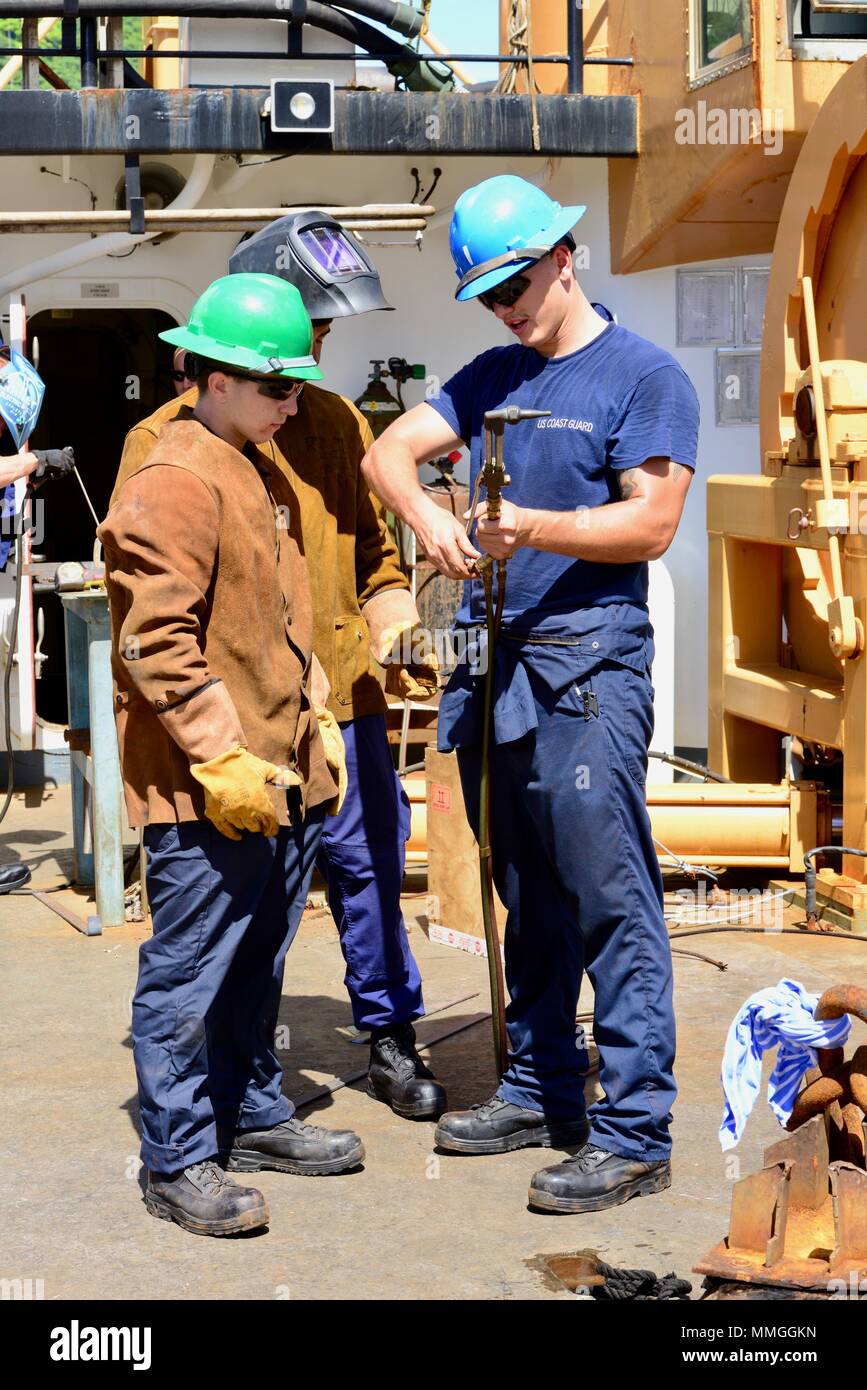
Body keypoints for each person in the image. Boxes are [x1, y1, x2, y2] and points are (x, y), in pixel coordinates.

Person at [362, 175, 700, 1215]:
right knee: (529, 894)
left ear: (565, 255)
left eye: (517, 281)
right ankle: (545, 1084)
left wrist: (528, 528)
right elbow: (387, 453)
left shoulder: (646, 378)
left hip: (588, 669)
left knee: (611, 896)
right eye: (488, 291)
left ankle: (636, 1130)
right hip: (499, 666)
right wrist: (428, 520)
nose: (505, 304)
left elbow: (649, 527)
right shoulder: (493, 372)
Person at [112, 212, 446, 1122]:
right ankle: (203, 1116)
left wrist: (395, 617)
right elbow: (154, 623)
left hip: (338, 705)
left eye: (323, 340)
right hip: (239, 724)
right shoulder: (167, 449)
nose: (309, 362)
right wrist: (214, 746)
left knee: (366, 870)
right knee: (227, 920)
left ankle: (385, 1032)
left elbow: (373, 558)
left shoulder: (332, 422)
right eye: (296, 345)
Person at [99, 273, 362, 1239]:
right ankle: (175, 1156)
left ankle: (247, 1109)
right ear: (215, 380)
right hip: (208, 787)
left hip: (278, 775)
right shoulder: (175, 476)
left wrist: (314, 717)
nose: (296, 403)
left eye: (296, 388)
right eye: (278, 388)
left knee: (259, 958)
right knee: (188, 972)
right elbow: (154, 639)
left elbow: (272, 618)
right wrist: (221, 755)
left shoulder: (251, 458)